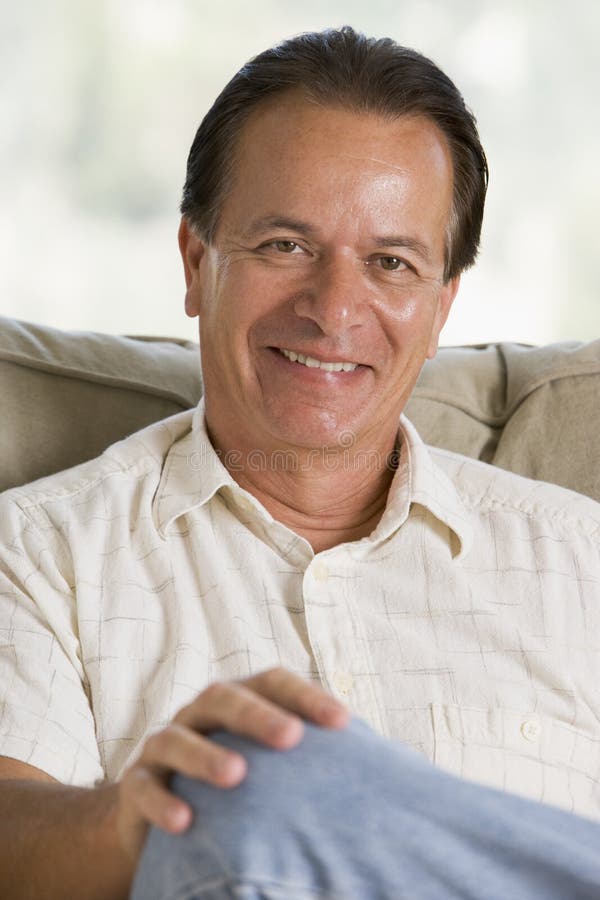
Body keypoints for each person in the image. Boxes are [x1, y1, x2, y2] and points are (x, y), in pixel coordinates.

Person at [0, 25, 599, 900]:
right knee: (253, 790)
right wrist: (144, 819)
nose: (333, 309)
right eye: (286, 245)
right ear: (197, 261)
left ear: (440, 310)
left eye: (391, 263)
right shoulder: (41, 552)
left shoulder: (583, 562)